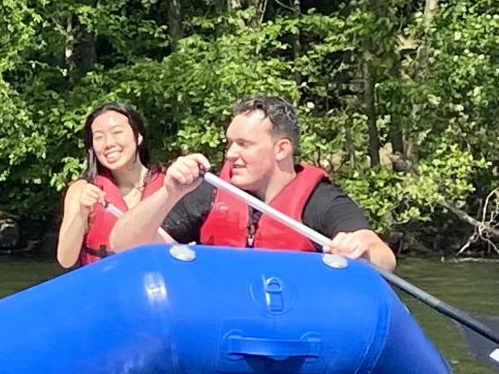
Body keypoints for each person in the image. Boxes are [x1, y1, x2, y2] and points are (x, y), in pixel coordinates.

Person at [106, 94, 397, 273]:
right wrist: (169, 194)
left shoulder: (321, 200)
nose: (230, 155)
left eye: (244, 144)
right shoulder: (207, 194)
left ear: (281, 149)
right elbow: (122, 244)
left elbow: (384, 257)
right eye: (230, 143)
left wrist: (360, 250)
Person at [55, 101, 166, 268]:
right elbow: (65, 260)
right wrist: (82, 213)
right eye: (99, 137)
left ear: (138, 136)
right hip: (105, 287)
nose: (108, 143)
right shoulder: (81, 190)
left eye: (117, 132)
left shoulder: (171, 188)